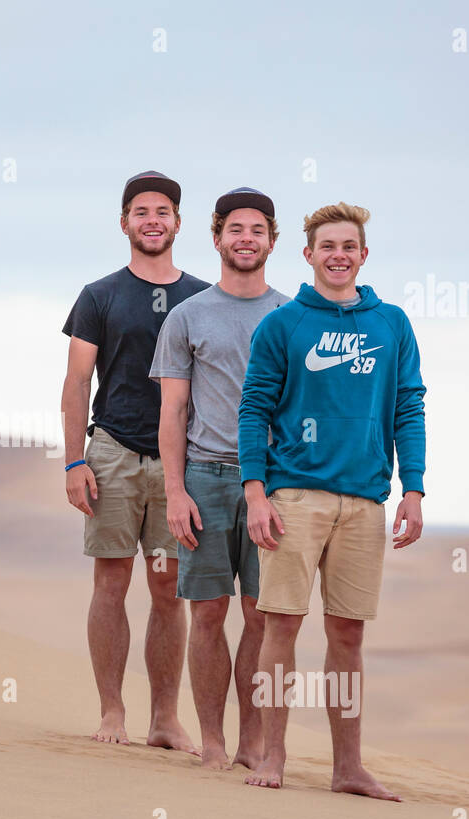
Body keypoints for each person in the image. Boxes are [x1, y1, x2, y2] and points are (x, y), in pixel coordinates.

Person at [236, 202, 426, 800]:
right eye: (327, 246)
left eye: (349, 246)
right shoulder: (284, 324)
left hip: (365, 502)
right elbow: (253, 411)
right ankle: (273, 755)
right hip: (294, 496)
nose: (338, 255)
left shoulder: (392, 323)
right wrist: (256, 493)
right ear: (309, 255)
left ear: (363, 255)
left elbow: (409, 407)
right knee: (281, 625)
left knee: (347, 636)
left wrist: (413, 489)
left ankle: (348, 767)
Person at [60, 171, 210, 751]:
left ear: (178, 223)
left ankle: (166, 719)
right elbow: (75, 383)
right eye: (141, 211)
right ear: (124, 222)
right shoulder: (99, 295)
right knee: (111, 580)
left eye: (163, 212)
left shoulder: (202, 297)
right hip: (114, 453)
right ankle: (112, 711)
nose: (153, 221)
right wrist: (75, 463)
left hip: (182, 463)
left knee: (170, 587)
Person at [150, 187, 291, 770]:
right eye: (236, 229)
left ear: (272, 241)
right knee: (208, 613)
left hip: (273, 486)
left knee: (261, 617)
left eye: (257, 229)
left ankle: (253, 745)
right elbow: (172, 414)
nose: (246, 239)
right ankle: (211, 742)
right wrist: (175, 491)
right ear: (216, 239)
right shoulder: (187, 316)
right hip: (205, 479)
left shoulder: (292, 316)